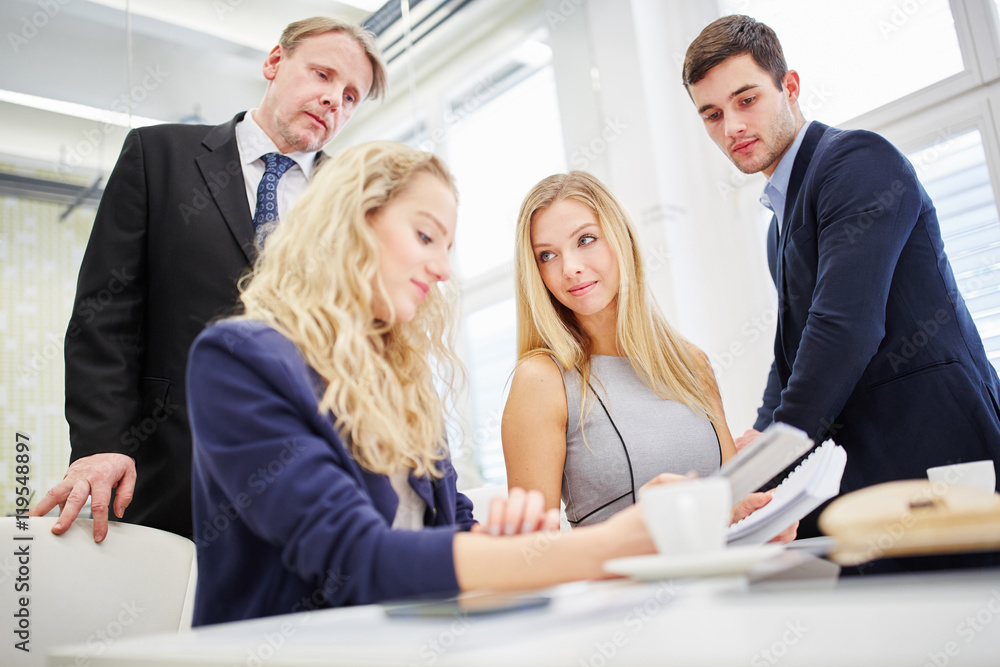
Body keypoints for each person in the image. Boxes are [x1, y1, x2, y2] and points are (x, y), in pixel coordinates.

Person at [184, 141, 668, 624]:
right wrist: (603, 546)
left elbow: (451, 525)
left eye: (447, 248)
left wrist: (505, 546)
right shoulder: (238, 359)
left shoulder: (401, 377)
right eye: (425, 236)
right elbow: (351, 560)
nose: (441, 269)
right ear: (352, 221)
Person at [31, 17, 388, 541]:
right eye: (321, 74)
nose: (334, 98)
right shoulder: (158, 158)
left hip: (313, 483)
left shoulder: (358, 201)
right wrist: (100, 444)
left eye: (352, 95)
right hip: (171, 468)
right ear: (273, 62)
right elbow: (104, 316)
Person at [682, 15, 1000, 542]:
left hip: (940, 446)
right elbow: (795, 353)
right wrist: (759, 436)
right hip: (869, 466)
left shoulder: (856, 162)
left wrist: (770, 458)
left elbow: (843, 328)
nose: (731, 126)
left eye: (746, 99)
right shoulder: (778, 225)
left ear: (790, 86)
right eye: (712, 115)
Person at [502, 171, 739, 527]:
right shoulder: (541, 380)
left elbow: (733, 501)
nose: (570, 268)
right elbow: (532, 554)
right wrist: (639, 525)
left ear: (621, 238)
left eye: (585, 239)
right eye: (547, 255)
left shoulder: (692, 364)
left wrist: (762, 519)